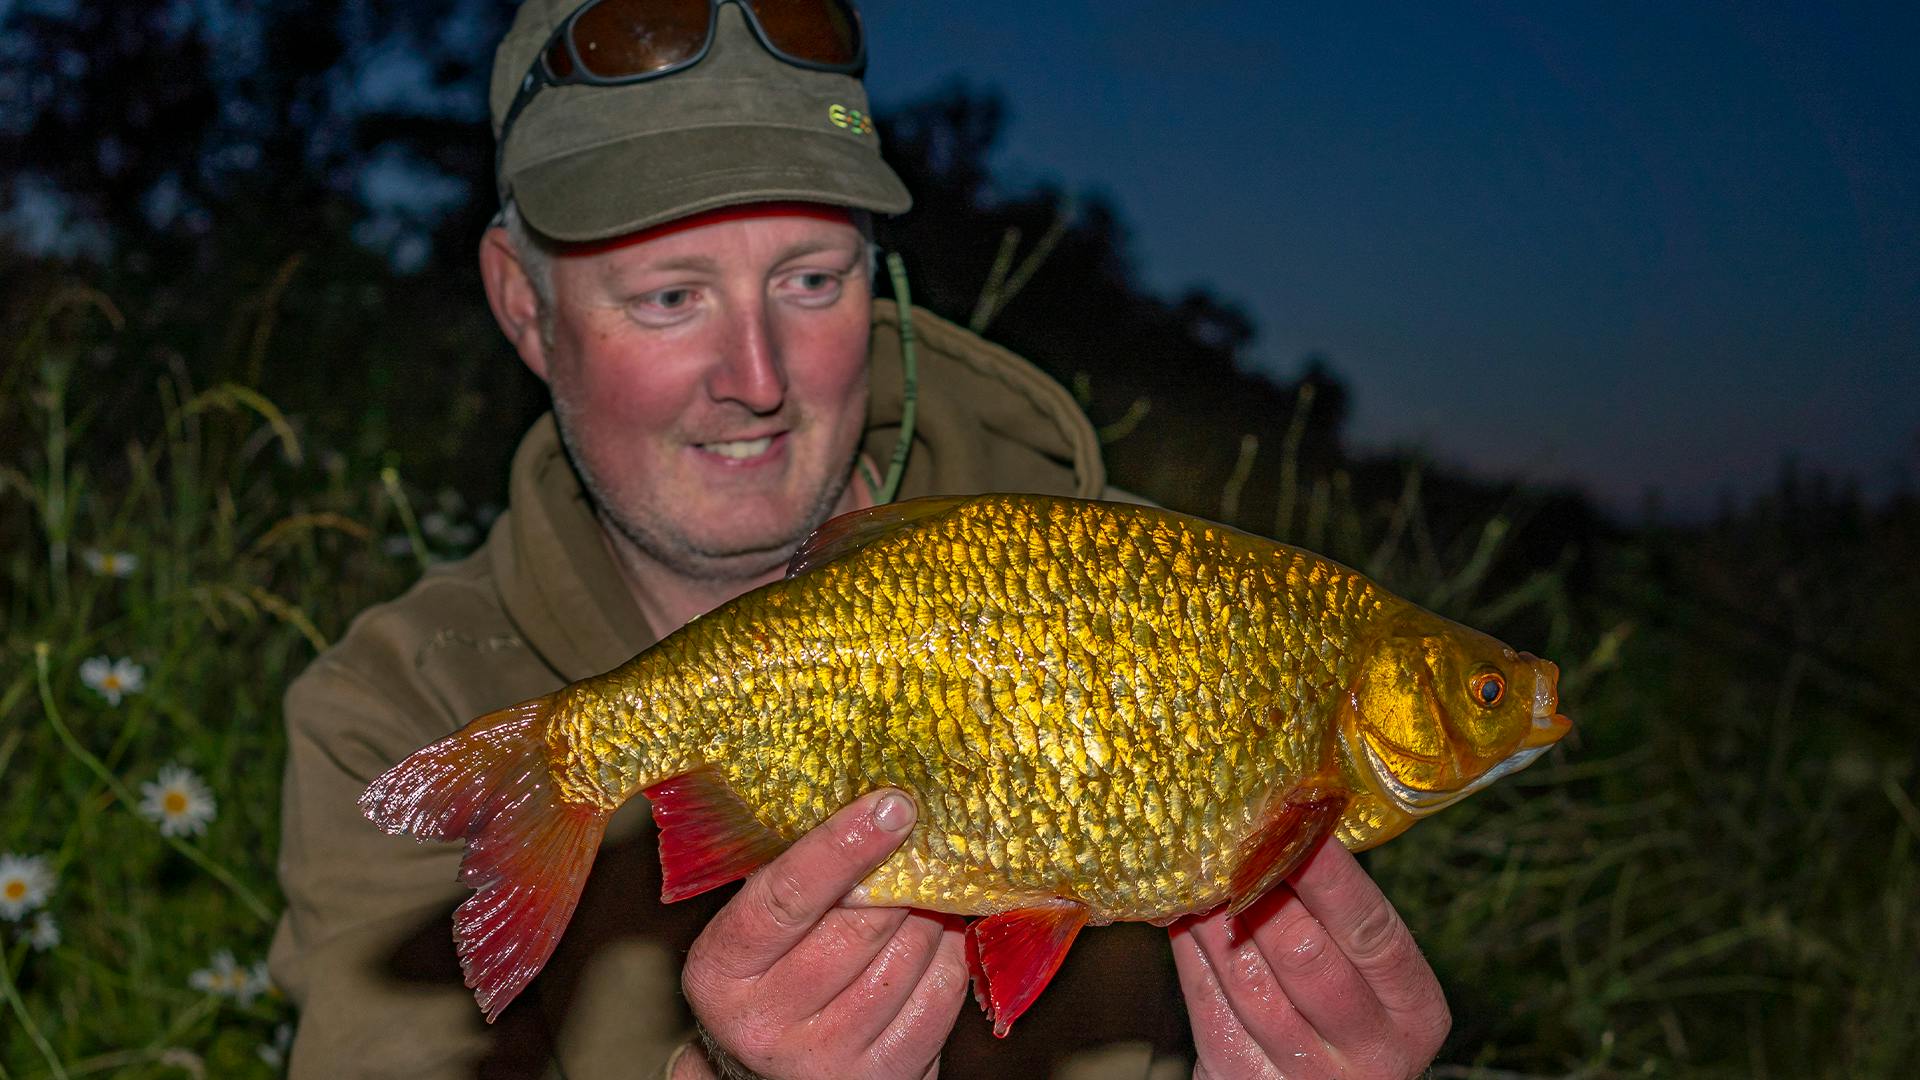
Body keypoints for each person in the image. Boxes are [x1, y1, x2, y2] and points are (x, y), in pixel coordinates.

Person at [267, 1, 1452, 1077]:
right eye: (671, 296)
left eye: (811, 280)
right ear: (524, 307)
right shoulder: (385, 706)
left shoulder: (1171, 611)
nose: (756, 377)